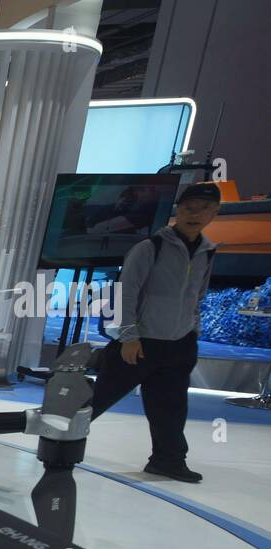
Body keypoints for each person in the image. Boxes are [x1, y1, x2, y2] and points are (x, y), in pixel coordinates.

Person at [89, 182, 222, 483]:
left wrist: (192, 332)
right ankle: (57, 443)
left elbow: (197, 296)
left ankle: (167, 461)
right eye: (189, 207)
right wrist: (129, 336)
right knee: (97, 399)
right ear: (178, 210)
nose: (194, 214)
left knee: (171, 408)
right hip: (141, 342)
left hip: (179, 344)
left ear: (215, 212)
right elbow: (126, 293)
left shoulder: (207, 251)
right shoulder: (151, 247)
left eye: (203, 209)